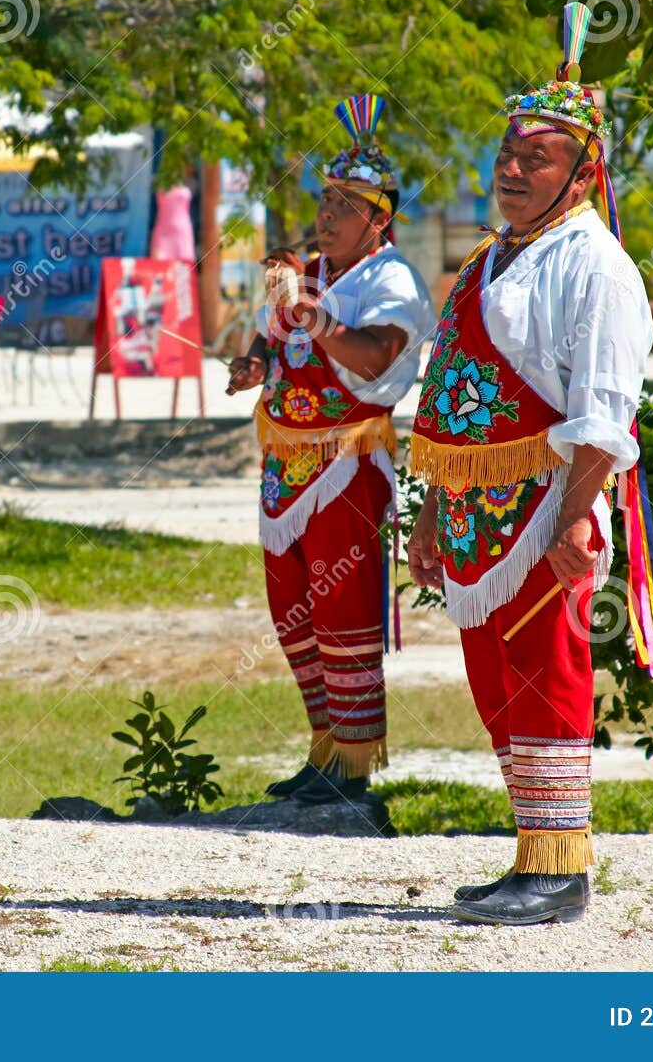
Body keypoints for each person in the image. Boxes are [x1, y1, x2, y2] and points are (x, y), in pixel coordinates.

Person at [406, 3, 653, 925]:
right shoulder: (486, 261)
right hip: (475, 516)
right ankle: (531, 853)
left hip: (547, 511)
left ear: (583, 171)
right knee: (493, 682)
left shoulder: (595, 266)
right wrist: (430, 512)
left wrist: (570, 518)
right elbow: (449, 399)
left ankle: (561, 868)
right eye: (507, 155)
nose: (511, 171)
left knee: (547, 676)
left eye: (537, 158)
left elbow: (603, 411)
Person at [228, 95, 435, 805]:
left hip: (346, 460)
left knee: (342, 607)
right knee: (293, 611)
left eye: (347, 202)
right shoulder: (306, 269)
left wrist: (315, 319)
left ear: (380, 219)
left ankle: (353, 763)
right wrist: (253, 363)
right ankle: (322, 748)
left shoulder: (390, 279)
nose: (327, 212)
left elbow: (378, 359)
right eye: (325, 197)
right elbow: (269, 332)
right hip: (284, 462)